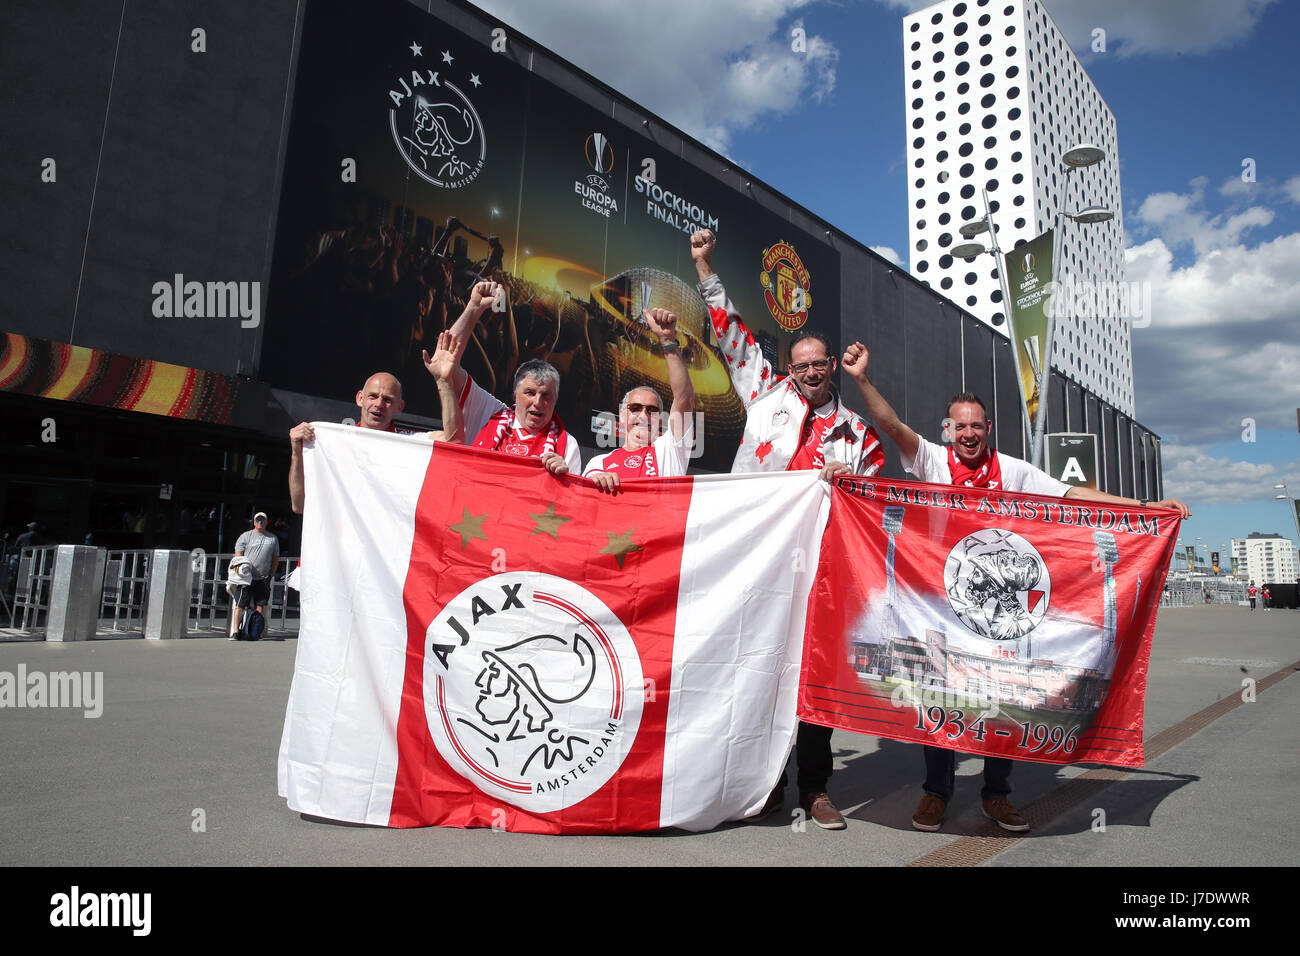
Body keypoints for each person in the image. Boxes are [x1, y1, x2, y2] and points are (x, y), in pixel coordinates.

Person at [841, 340, 1191, 833]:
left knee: (1005, 699)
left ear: (988, 429)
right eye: (959, 426)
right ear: (948, 430)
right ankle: (936, 792)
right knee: (939, 695)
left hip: (1003, 609)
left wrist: (1144, 506)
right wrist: (861, 380)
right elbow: (893, 428)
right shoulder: (933, 462)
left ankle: (996, 794)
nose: (967, 433)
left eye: (975, 426)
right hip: (945, 605)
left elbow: (1073, 496)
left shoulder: (1014, 470)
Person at [691, 227, 885, 831]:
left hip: (821, 572)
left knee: (813, 677)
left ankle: (816, 787)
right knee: (755, 666)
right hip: (758, 561)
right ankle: (761, 782)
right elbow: (727, 329)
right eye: (799, 364)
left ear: (831, 368)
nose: (808, 372)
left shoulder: (860, 437)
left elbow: (875, 505)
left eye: (817, 364)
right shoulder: (763, 393)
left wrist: (846, 484)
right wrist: (703, 266)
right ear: (790, 368)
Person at [289, 329, 465, 514]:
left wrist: (443, 381)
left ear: (400, 407)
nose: (379, 404)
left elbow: (454, 440)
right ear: (360, 399)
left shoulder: (409, 442)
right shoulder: (332, 442)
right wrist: (296, 451)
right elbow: (299, 505)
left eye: (388, 400)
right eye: (373, 396)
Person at [440, 280, 581, 476]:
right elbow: (447, 362)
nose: (537, 402)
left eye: (546, 395)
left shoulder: (567, 446)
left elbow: (569, 504)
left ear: (555, 401)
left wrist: (564, 479)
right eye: (529, 392)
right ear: (515, 395)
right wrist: (473, 308)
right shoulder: (489, 413)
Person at [584, 308, 695, 491]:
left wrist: (667, 341)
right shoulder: (597, 464)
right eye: (635, 408)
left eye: (651, 410)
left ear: (660, 420)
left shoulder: (669, 450)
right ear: (622, 415)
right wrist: (597, 483)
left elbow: (684, 399)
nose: (643, 415)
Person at [231, 512, 280, 640]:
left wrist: (271, 574)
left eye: (263, 520)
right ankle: (236, 631)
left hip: (263, 577)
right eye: (257, 520)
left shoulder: (272, 538)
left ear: (266, 522)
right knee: (240, 604)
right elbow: (238, 557)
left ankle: (255, 630)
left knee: (260, 604)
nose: (260, 523)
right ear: (253, 522)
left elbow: (275, 558)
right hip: (246, 578)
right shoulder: (245, 536)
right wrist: (240, 574)